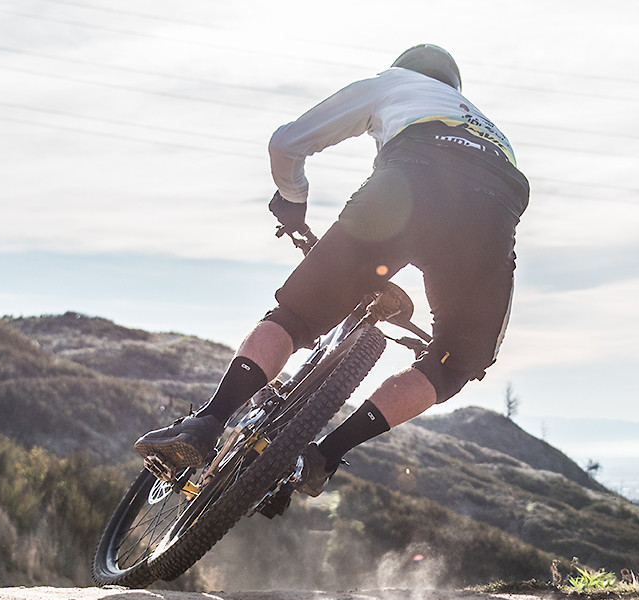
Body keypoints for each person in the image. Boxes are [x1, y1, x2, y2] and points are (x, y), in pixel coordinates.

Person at [135, 44, 529, 497]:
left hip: (408, 186)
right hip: (493, 216)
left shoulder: (395, 84)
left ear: (404, 70)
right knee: (456, 361)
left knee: (297, 317)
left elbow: (286, 143)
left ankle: (207, 422)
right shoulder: (493, 132)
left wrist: (293, 202)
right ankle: (324, 456)